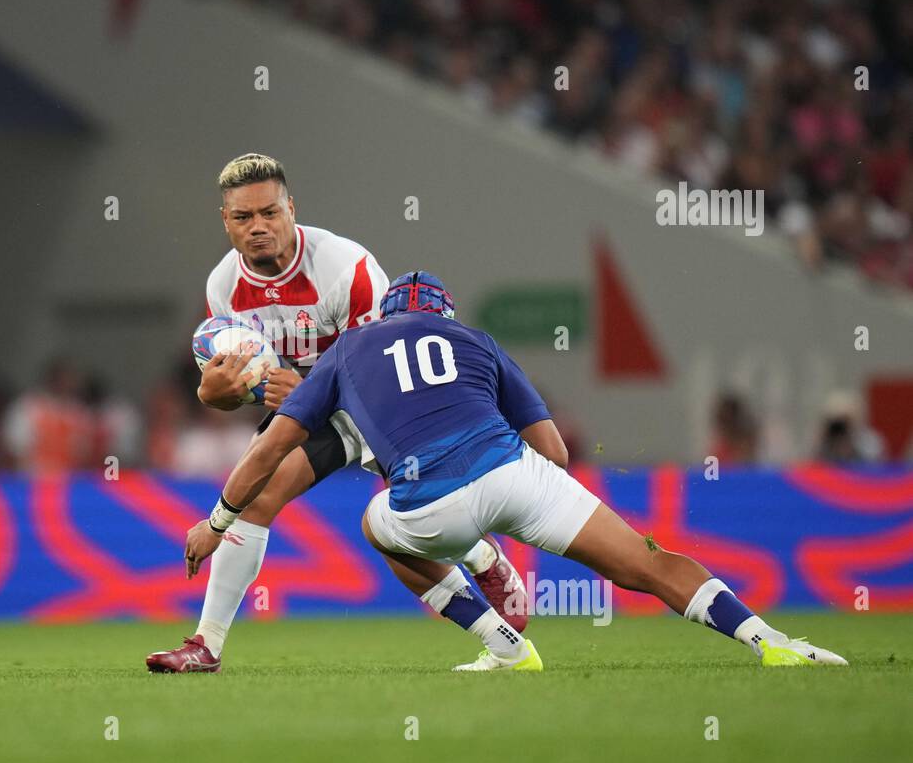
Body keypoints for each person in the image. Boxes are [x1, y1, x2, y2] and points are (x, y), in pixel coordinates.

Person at [185, 271, 847, 671]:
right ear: (444, 314)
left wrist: (219, 521)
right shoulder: (477, 339)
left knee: (376, 523)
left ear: (387, 314)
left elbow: (273, 445)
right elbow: (554, 449)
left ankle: (503, 645)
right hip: (517, 475)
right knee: (645, 563)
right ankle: (772, 641)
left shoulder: (352, 347)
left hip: (429, 501)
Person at [147, 154, 529, 673]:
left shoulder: (345, 268)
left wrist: (302, 388)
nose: (258, 227)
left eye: (269, 212)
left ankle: (482, 559)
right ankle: (206, 645)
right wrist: (219, 393)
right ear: (225, 220)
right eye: (243, 218)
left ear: (291, 208)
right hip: (315, 409)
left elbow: (382, 367)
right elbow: (252, 377)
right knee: (256, 499)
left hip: (381, 401)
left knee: (409, 522)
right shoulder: (222, 288)